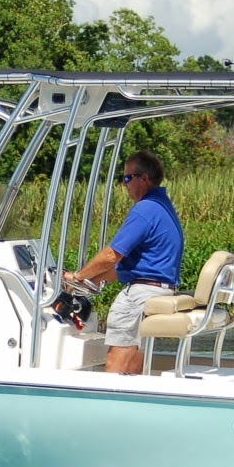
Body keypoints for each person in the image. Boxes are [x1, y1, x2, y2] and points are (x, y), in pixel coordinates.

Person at [65, 150, 184, 374]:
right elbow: (134, 266)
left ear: (144, 179)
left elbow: (112, 255)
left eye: (128, 178)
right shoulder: (162, 205)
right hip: (158, 291)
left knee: (116, 364)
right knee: (133, 364)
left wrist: (78, 276)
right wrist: (93, 281)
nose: (124, 184)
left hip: (140, 296)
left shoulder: (146, 209)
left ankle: (107, 397)